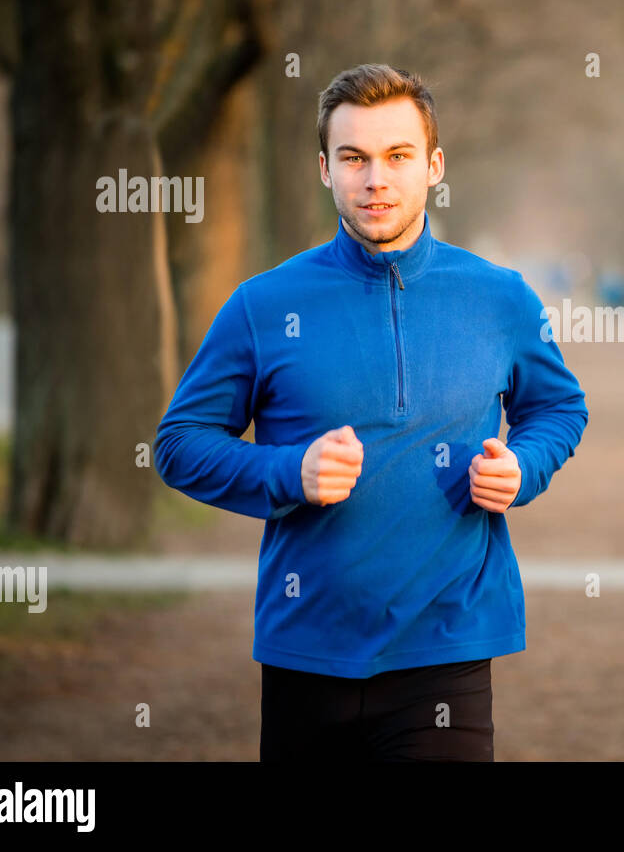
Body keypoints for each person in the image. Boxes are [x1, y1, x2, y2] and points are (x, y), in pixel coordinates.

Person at [153, 63, 588, 761]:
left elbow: (559, 407)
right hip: (307, 654)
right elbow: (179, 443)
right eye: (353, 157)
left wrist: (525, 466)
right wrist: (289, 470)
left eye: (397, 156)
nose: (375, 178)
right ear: (324, 168)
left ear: (434, 165)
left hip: (447, 649)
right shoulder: (263, 304)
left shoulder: (500, 298)